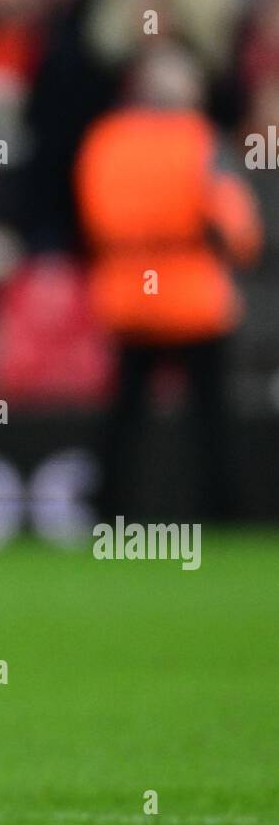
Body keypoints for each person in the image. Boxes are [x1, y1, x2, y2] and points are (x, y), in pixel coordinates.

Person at [74, 43, 262, 522]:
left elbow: (93, 218)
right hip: (194, 298)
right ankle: (225, 516)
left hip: (126, 297)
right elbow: (238, 228)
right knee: (213, 418)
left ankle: (105, 513)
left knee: (124, 417)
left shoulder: (104, 140)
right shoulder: (199, 140)